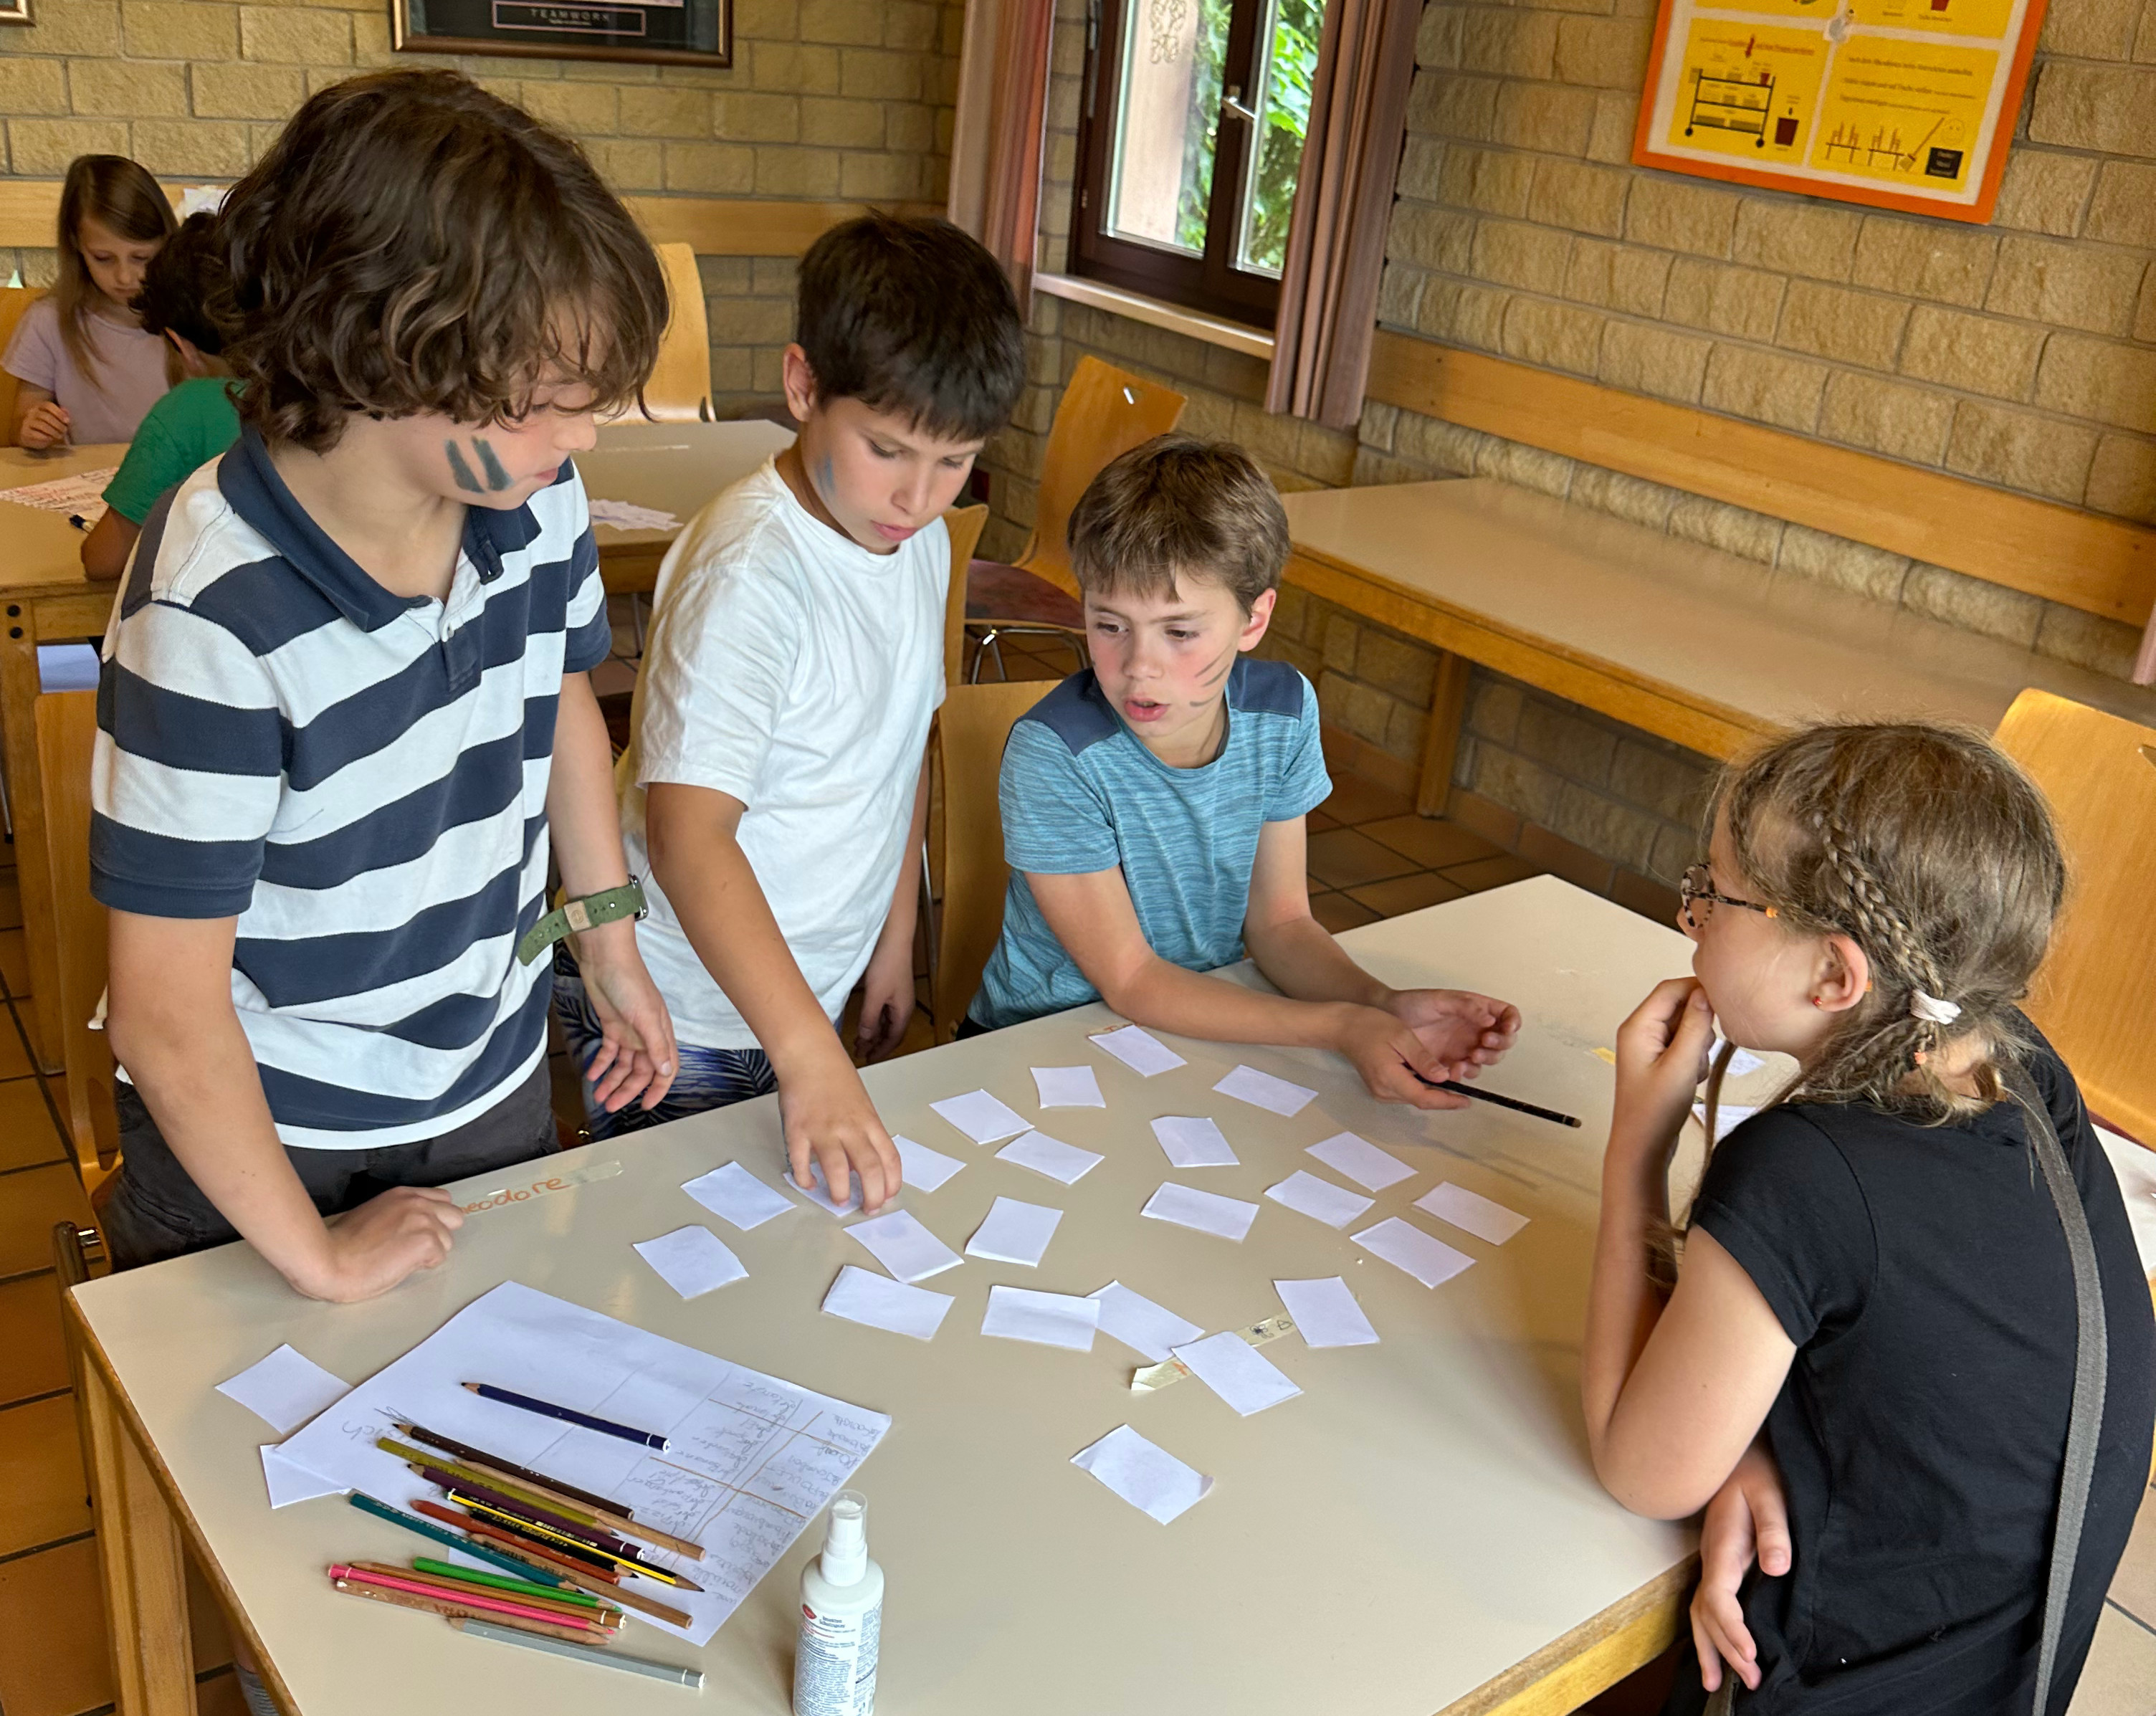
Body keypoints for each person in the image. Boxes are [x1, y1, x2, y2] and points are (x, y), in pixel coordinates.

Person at [92, 70, 679, 1305]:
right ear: (388, 344)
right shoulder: (215, 605)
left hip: (483, 1075)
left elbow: (562, 703)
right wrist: (312, 1250)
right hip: (265, 1130)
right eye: (550, 397)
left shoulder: (528, 495)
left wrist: (606, 940)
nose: (582, 437)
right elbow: (165, 1014)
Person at [1581, 722, 2155, 1714]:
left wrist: (1635, 1150)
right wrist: (1751, 1447)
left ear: (1835, 978)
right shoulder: (2019, 1063)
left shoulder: (1801, 1174)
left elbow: (1642, 1470)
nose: (1691, 917)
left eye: (1716, 891)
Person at [558, 213, 1023, 1216]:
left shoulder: (917, 543)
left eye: (955, 463)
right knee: (675, 1257)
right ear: (804, 387)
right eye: (889, 449)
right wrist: (810, 1052)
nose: (918, 495)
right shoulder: (752, 572)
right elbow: (689, 839)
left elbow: (902, 755)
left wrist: (895, 937)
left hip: (801, 1000)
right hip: (682, 1016)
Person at [964, 433, 1520, 1108]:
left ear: (1254, 618)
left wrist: (1381, 1003)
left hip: (1199, 1026)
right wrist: (1343, 1026)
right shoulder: (1056, 752)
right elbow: (1133, 980)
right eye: (1110, 626)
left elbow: (1281, 926)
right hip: (1042, 1046)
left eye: (1180, 631)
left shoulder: (1285, 712)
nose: (1140, 665)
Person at [82, 211, 241, 580]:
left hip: (215, 624)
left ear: (181, 345)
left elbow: (103, 561)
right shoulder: (318, 393)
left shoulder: (185, 410)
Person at [6, 153, 176, 447]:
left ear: (168, 242)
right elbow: (21, 424)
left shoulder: (196, 318)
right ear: (76, 246)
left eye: (142, 258)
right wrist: (33, 428)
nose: (125, 277)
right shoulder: (49, 321)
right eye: (103, 259)